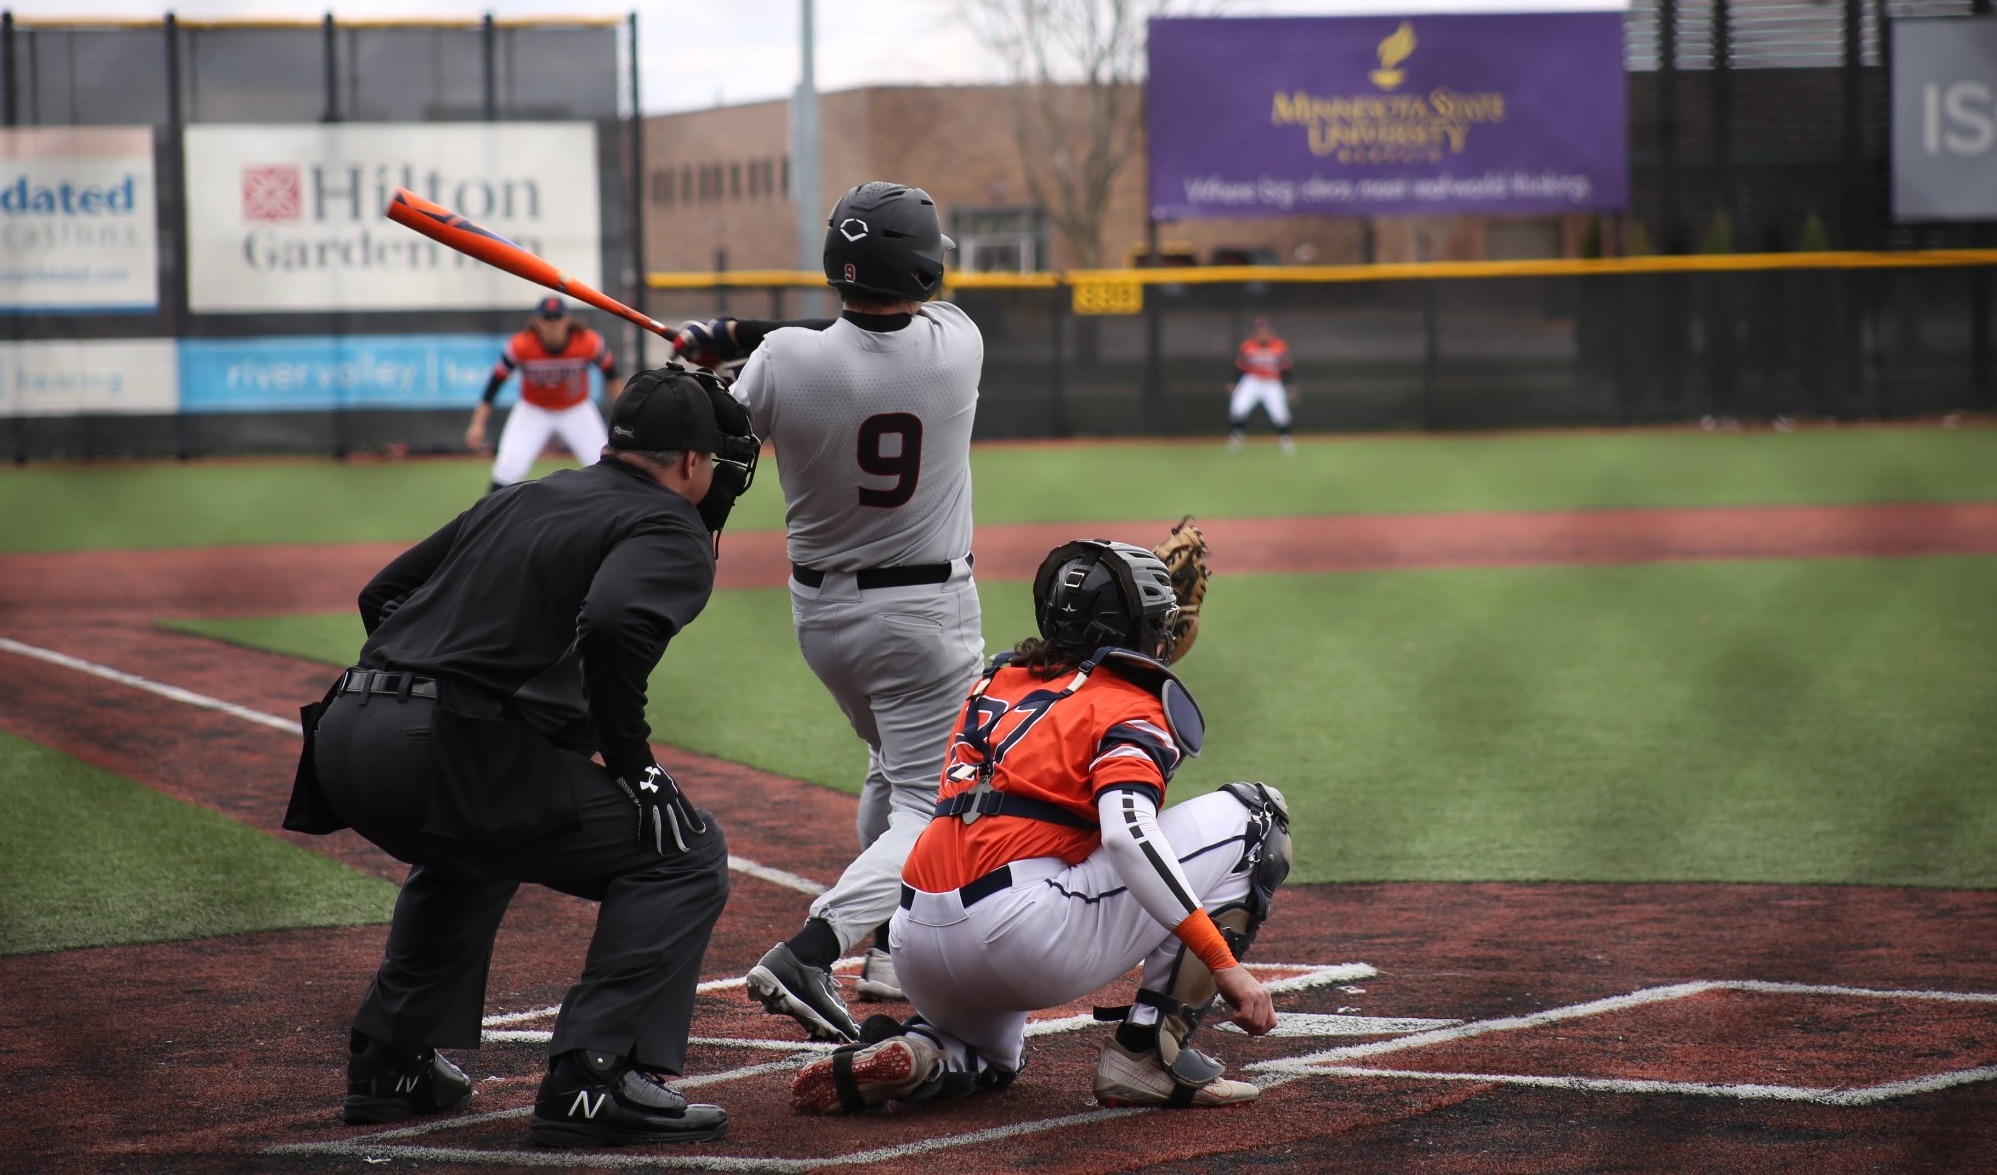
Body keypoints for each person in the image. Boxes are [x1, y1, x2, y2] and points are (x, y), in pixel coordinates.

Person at [282, 365, 761, 1148]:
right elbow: (611, 625)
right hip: (439, 747)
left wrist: (445, 689)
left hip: (344, 734)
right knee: (683, 851)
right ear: (688, 462)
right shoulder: (668, 523)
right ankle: (594, 1078)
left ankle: (391, 1063)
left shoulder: (525, 493)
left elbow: (384, 593)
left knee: (477, 842)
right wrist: (633, 760)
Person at [788, 539, 1291, 1114]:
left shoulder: (995, 682)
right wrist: (1224, 965)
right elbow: (1127, 834)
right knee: (1259, 816)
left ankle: (929, 1049)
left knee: (995, 1056)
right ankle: (1150, 1052)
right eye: (1157, 622)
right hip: (1021, 935)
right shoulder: (1130, 703)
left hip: (914, 944)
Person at [673, 180, 984, 1042]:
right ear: (919, 267)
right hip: (927, 615)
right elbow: (871, 333)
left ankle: (891, 944)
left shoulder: (784, 361)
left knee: (892, 764)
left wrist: (720, 353)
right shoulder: (959, 343)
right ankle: (813, 948)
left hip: (823, 619)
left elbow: (748, 403)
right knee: (939, 800)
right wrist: (742, 338)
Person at [466, 295, 620, 494]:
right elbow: (494, 384)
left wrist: (625, 417)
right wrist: (477, 424)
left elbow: (612, 378)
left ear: (567, 320)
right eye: (547, 319)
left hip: (576, 408)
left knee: (606, 467)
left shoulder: (588, 342)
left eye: (557, 318)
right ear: (537, 322)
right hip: (534, 410)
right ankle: (489, 521)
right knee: (507, 470)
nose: (552, 324)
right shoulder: (521, 345)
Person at [1228, 317, 1296, 454]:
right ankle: (1237, 437)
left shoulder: (1279, 345)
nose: (1263, 333)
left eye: (1265, 330)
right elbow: (1240, 367)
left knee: (1280, 412)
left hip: (1272, 381)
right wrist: (1234, 383)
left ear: (1270, 331)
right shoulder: (1248, 345)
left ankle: (1286, 440)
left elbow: (1286, 368)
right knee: (1238, 407)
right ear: (1256, 332)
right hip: (1252, 380)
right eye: (1260, 330)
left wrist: (1289, 385)